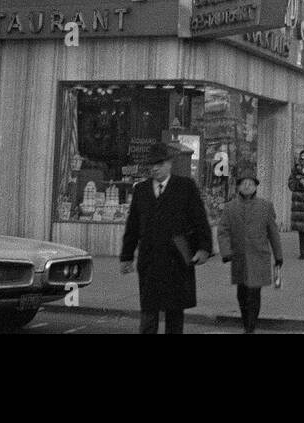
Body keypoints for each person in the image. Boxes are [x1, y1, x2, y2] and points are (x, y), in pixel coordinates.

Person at [120, 141, 213, 334]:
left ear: (169, 163)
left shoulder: (185, 187)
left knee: (174, 315)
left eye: (160, 164)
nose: (155, 168)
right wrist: (126, 256)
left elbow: (200, 220)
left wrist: (204, 248)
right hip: (150, 260)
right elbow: (133, 226)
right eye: (152, 165)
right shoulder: (141, 190)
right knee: (148, 314)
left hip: (176, 260)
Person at [217, 167, 283, 333]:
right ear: (238, 187)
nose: (247, 186)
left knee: (254, 293)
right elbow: (223, 231)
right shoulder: (230, 207)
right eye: (243, 183)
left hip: (259, 256)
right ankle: (246, 320)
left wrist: (279, 256)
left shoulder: (265, 206)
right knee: (242, 293)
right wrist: (226, 252)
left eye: (250, 183)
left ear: (255, 186)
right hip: (239, 257)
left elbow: (273, 233)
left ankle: (250, 327)